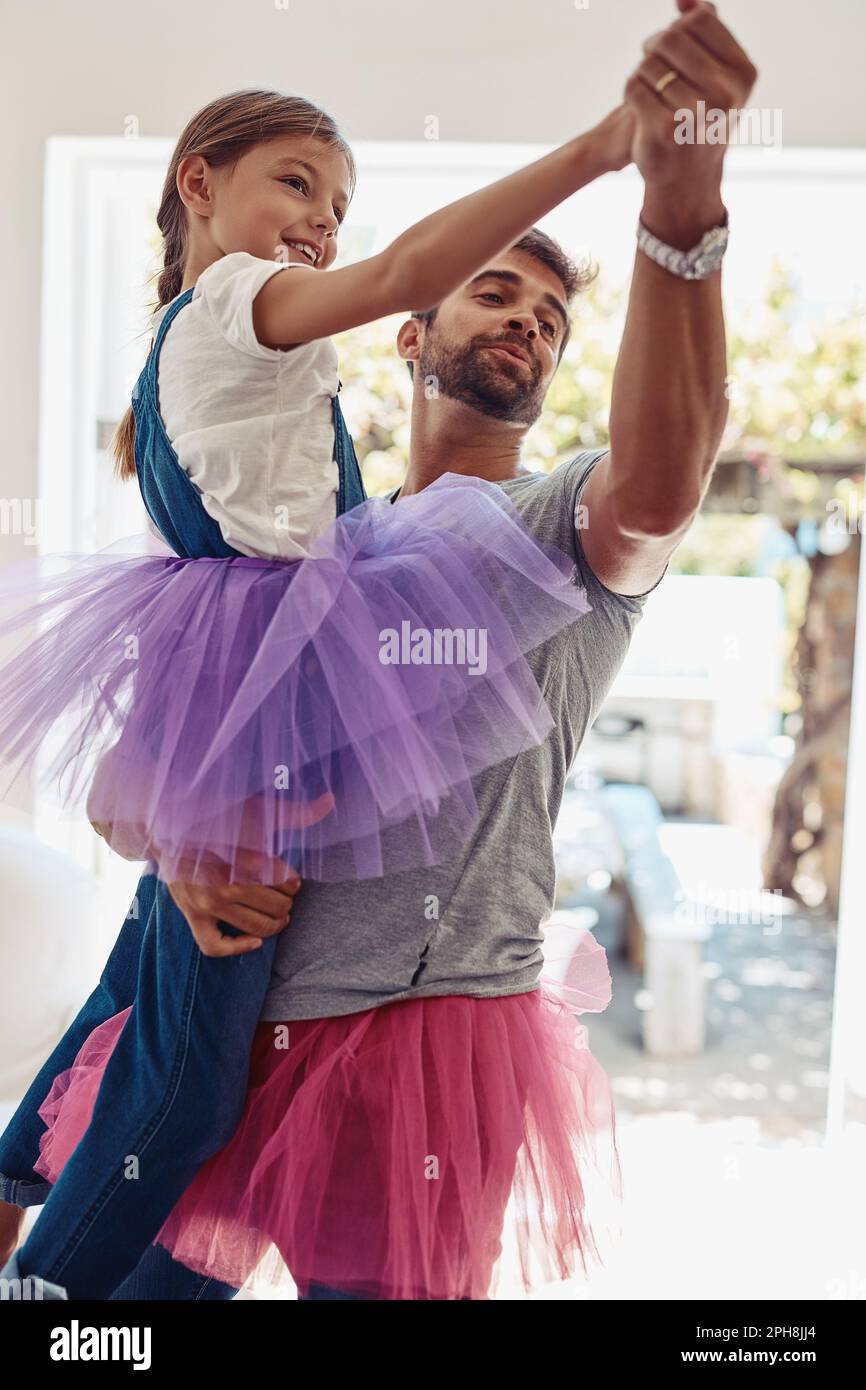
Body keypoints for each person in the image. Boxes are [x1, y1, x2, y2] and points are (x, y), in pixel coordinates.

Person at [1, 0, 758, 1300]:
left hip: (421, 1049)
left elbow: (663, 484)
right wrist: (180, 853)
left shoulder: (559, 524)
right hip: (233, 1033)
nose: (523, 316)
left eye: (548, 318)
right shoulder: (293, 552)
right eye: (492, 290)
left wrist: (678, 221)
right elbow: (124, 786)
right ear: (407, 338)